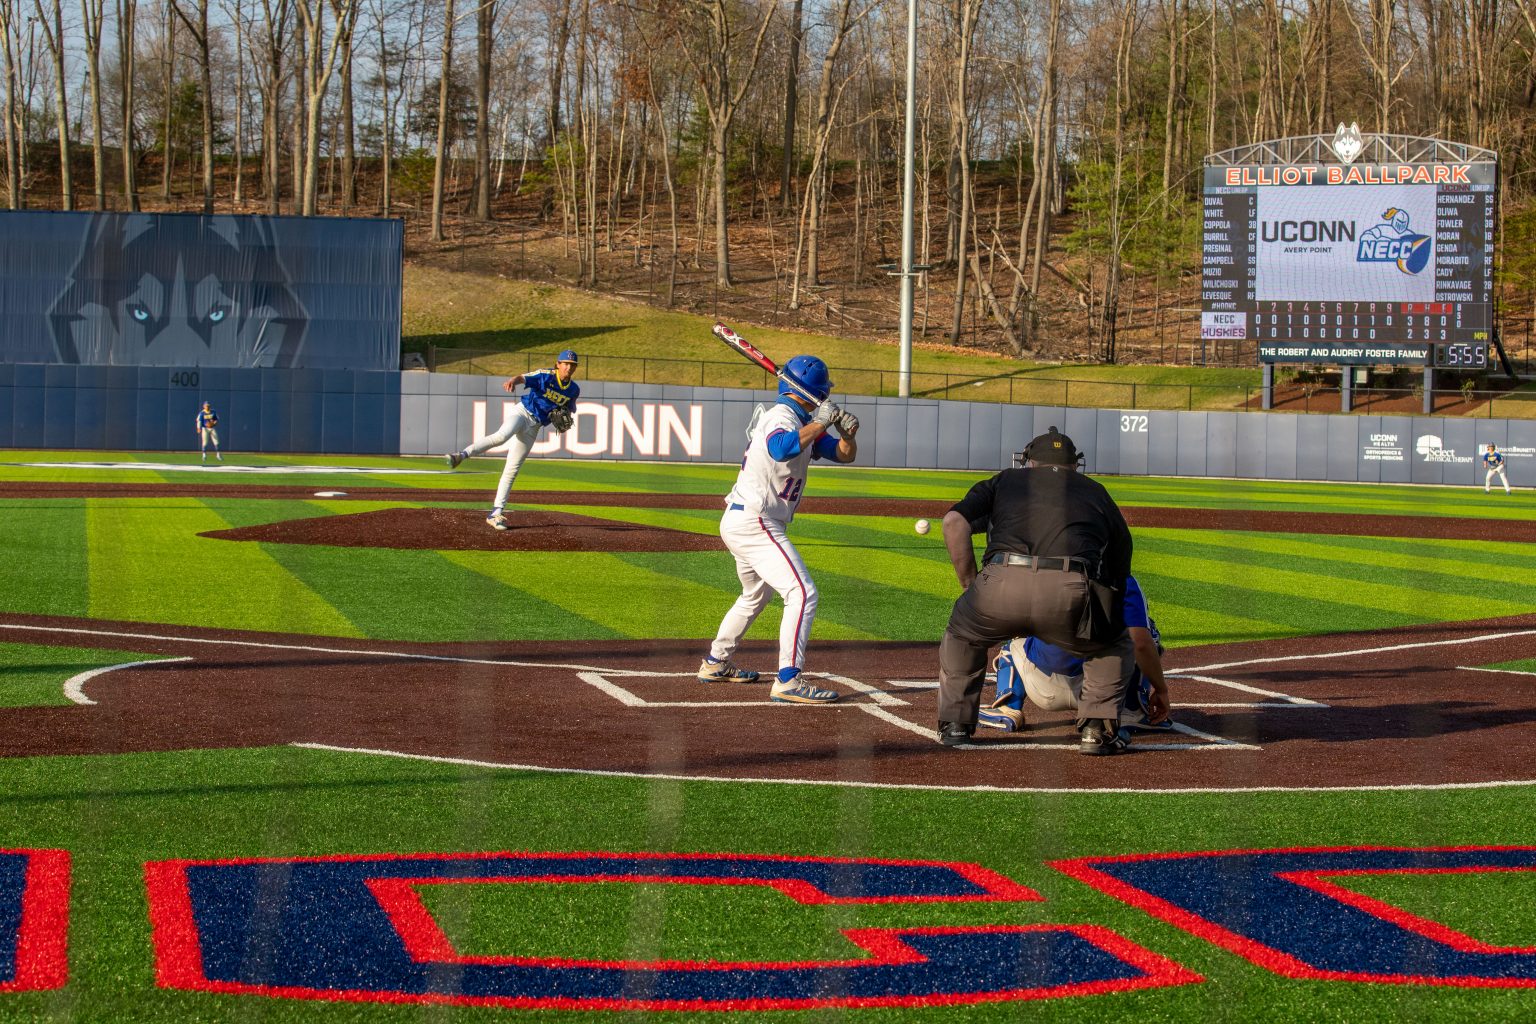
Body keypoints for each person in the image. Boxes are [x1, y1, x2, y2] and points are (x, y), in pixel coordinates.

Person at [936, 427, 1136, 753]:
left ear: (1030, 462)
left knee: (963, 635)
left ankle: (957, 725)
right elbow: (1120, 561)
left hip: (999, 584)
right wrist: (1101, 612)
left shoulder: (1004, 480)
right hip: (1069, 590)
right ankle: (1095, 731)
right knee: (1114, 645)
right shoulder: (1096, 491)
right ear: (1074, 465)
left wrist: (971, 585)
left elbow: (953, 523)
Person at [698, 356, 858, 704]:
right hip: (757, 520)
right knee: (803, 593)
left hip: (745, 520)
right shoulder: (781, 417)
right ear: (814, 391)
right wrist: (821, 422)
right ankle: (788, 679)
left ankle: (716, 661)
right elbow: (781, 448)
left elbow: (844, 455)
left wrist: (845, 432)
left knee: (756, 595)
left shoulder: (801, 421)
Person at [978, 575, 1171, 733]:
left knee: (1014, 642)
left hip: (1043, 690)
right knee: (1145, 633)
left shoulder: (1041, 578)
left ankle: (1008, 707)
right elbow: (1141, 644)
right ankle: (1133, 711)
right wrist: (1161, 690)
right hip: (1102, 691)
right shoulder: (1123, 581)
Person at [445, 350, 580, 530]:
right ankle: (461, 455)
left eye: (572, 365)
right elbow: (523, 378)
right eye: (565, 363)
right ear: (558, 364)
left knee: (512, 468)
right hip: (522, 412)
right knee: (502, 436)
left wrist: (565, 417)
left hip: (535, 426)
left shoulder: (574, 389)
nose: (568, 367)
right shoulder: (546, 376)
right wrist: (512, 381)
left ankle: (496, 513)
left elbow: (570, 409)